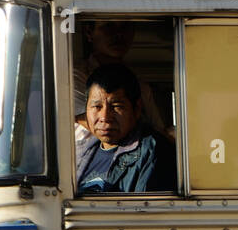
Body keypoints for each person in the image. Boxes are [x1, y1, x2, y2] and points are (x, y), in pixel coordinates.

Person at [75, 63, 176, 193]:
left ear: (137, 108)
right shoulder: (85, 149)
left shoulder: (153, 151)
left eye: (116, 107)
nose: (105, 117)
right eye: (96, 107)